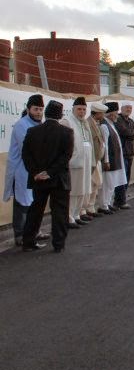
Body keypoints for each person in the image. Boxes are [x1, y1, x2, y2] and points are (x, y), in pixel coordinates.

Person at [21, 100, 74, 253]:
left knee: (35, 210)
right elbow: (66, 157)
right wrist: (50, 172)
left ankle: (28, 242)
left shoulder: (32, 131)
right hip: (59, 179)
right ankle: (59, 244)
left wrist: (35, 172)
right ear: (60, 115)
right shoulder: (66, 132)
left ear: (46, 113)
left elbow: (26, 155)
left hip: (37, 178)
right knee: (60, 211)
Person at [3, 94, 44, 246]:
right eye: (36, 109)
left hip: (34, 170)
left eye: (41, 109)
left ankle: (34, 232)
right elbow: (28, 149)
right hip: (21, 170)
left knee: (34, 204)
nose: (39, 112)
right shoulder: (22, 125)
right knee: (22, 204)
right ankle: (20, 235)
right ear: (28, 109)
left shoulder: (39, 124)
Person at [60, 97, 94, 229]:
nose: (82, 112)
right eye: (79, 109)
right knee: (73, 191)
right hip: (73, 163)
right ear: (73, 109)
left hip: (85, 162)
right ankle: (68, 218)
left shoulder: (84, 122)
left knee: (83, 190)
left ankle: (76, 215)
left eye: (84, 109)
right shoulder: (67, 122)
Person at [99, 102, 128, 211]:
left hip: (115, 159)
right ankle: (103, 205)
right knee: (107, 184)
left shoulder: (111, 124)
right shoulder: (104, 125)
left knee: (112, 184)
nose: (117, 116)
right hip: (109, 160)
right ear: (110, 114)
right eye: (116, 113)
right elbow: (105, 145)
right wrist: (106, 161)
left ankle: (108, 203)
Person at [113, 102, 134, 209]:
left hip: (130, 152)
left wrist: (131, 133)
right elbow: (124, 132)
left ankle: (122, 199)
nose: (129, 109)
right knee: (121, 178)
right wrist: (131, 134)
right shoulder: (118, 119)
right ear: (122, 108)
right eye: (127, 107)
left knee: (127, 177)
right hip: (122, 153)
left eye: (130, 108)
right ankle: (119, 201)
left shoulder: (130, 120)